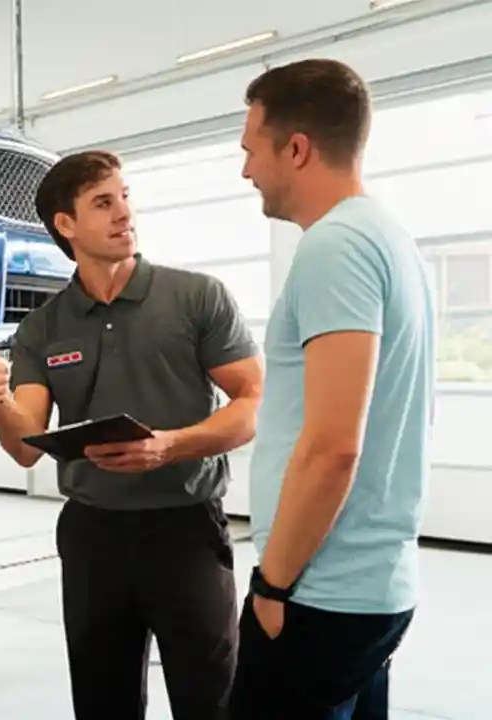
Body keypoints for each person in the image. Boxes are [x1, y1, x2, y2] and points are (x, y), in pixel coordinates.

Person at [0, 149, 264, 719]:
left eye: (125, 197)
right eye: (104, 202)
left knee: (211, 699)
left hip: (185, 530)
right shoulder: (41, 329)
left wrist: (169, 445)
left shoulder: (197, 297)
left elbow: (253, 404)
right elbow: (25, 444)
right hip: (92, 539)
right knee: (104, 702)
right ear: (66, 225)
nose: (124, 212)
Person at [230, 58, 436, 718]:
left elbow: (332, 447)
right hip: (369, 587)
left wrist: (272, 584)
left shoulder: (336, 246)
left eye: (251, 150)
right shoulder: (387, 239)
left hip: (322, 593)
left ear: (296, 149)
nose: (245, 171)